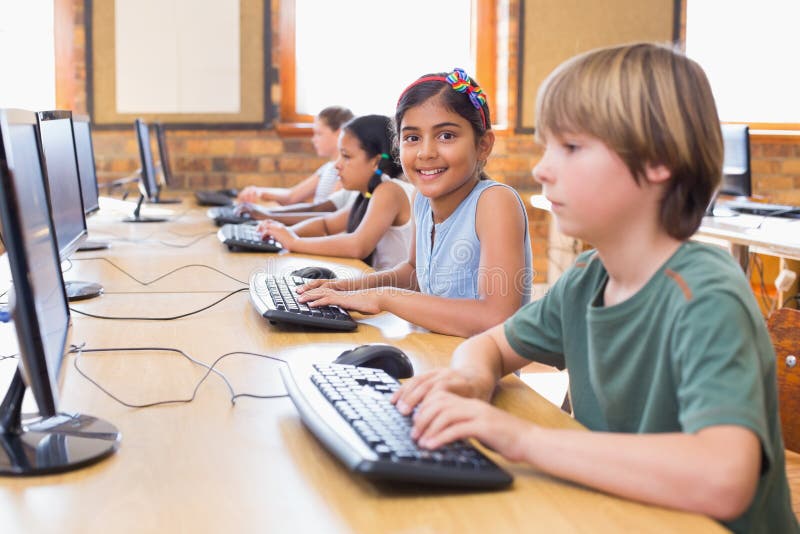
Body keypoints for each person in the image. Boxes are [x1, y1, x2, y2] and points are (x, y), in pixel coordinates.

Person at [390, 43, 798, 533]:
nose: (542, 169)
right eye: (547, 147)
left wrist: (521, 439)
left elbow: (722, 478)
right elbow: (489, 346)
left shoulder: (706, 295)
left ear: (656, 162)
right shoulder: (587, 279)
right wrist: (472, 379)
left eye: (571, 148)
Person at [296, 68, 533, 338]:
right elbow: (413, 273)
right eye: (412, 138)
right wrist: (349, 288)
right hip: (430, 356)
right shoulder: (422, 199)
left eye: (446, 136)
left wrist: (384, 298)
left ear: (483, 145)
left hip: (478, 374)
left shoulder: (494, 202)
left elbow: (495, 317)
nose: (426, 152)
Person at [257, 114, 414, 271]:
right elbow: (326, 225)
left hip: (397, 292)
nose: (336, 165)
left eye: (346, 156)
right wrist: (284, 232)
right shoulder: (367, 194)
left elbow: (358, 246)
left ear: (376, 162)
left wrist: (294, 242)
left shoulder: (390, 191)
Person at [236, 105, 355, 207]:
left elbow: (329, 211)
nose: (313, 140)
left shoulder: (344, 172)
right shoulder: (328, 168)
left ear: (339, 133)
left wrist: (272, 215)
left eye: (319, 134)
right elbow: (292, 195)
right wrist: (258, 191)